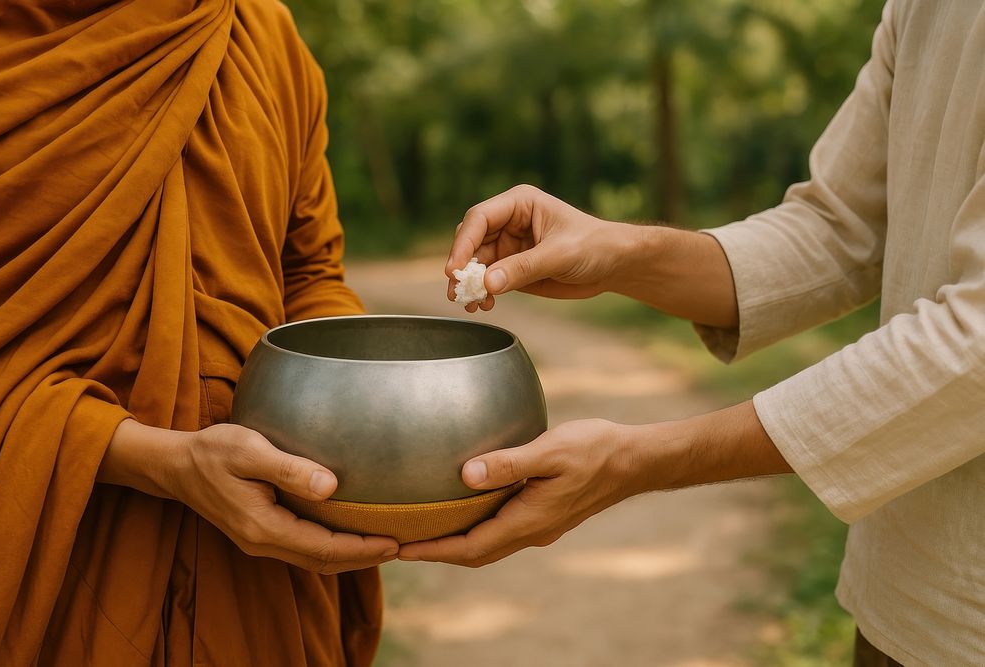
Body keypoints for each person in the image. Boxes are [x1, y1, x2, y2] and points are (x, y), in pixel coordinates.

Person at [400, 1, 985, 664]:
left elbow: (975, 349)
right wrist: (618, 251)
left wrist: (636, 459)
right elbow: (840, 226)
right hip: (898, 603)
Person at [0, 0, 397, 664]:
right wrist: (157, 461)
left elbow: (309, 271)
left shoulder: (260, 32)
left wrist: (362, 393)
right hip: (47, 572)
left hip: (263, 578)